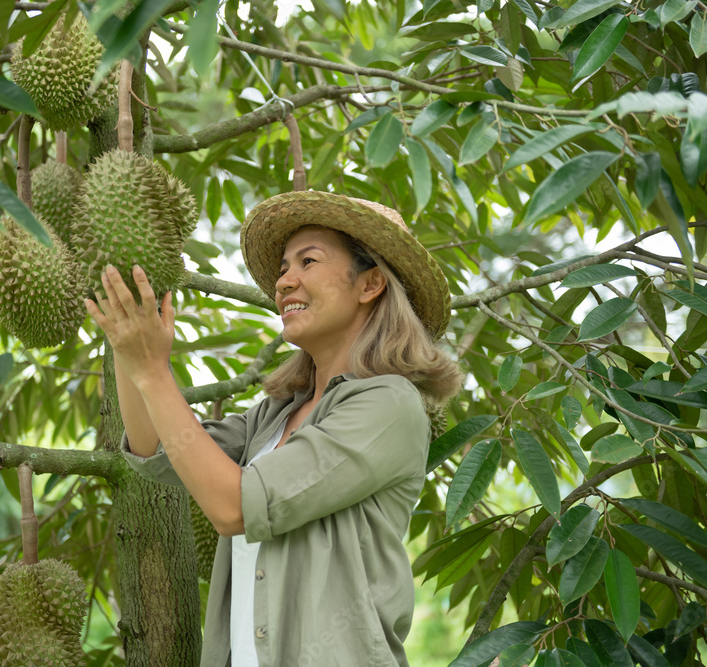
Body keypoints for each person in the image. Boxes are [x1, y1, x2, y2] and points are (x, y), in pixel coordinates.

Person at [83, 190, 464, 667]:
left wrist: (154, 372)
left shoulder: (389, 405)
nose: (285, 281)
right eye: (284, 268)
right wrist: (126, 338)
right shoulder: (277, 414)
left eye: (308, 261)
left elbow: (231, 506)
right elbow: (158, 450)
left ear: (369, 285)